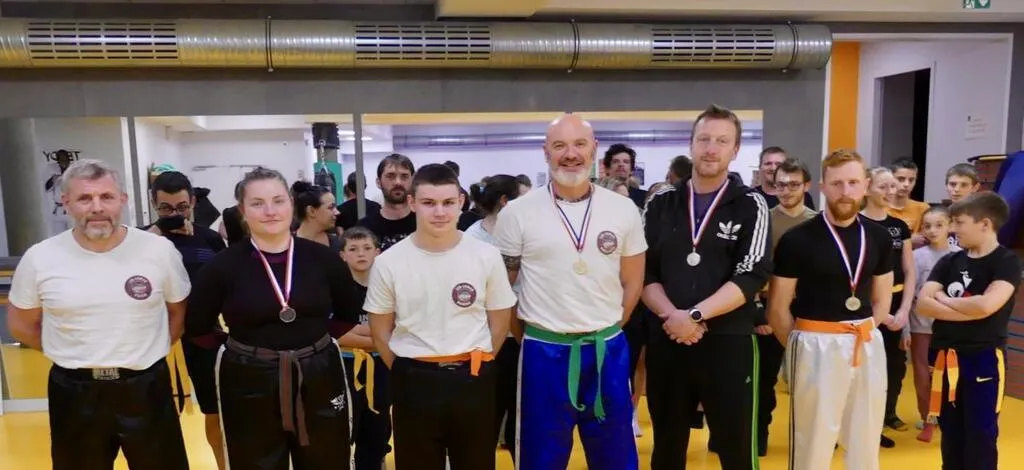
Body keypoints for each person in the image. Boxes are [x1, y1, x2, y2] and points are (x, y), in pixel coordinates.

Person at [7, 159, 191, 470]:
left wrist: (140, 351)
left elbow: (177, 314)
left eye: (106, 197)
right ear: (66, 203)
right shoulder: (40, 258)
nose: (97, 207)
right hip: (74, 391)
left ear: (123, 200)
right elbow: (22, 325)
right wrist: (74, 350)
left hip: (145, 386)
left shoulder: (158, 251)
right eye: (84, 198)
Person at [494, 114, 647, 469]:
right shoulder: (517, 213)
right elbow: (504, 287)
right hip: (543, 352)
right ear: (545, 151)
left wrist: (605, 325)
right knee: (540, 457)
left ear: (594, 150)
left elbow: (633, 281)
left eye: (579, 144)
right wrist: (533, 333)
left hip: (607, 348)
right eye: (560, 145)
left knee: (616, 455)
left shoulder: (623, 209)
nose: (570, 154)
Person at [186, 167, 362, 470]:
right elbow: (198, 327)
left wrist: (312, 341)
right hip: (247, 377)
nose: (269, 211)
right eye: (257, 203)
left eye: (278, 201)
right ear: (243, 210)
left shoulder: (324, 260)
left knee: (328, 460)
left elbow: (346, 314)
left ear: (291, 205)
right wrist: (242, 350)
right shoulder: (222, 266)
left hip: (318, 371)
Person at [642, 104, 771, 470]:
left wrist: (695, 315)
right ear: (691, 144)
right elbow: (644, 273)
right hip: (668, 338)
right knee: (666, 445)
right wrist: (674, 317)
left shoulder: (751, 205)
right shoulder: (661, 202)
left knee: (734, 446)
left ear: (735, 150)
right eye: (704, 139)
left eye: (721, 141)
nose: (711, 148)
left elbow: (751, 274)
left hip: (727, 341)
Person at [366, 164, 517, 470]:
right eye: (429, 203)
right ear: (412, 203)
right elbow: (380, 330)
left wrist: (481, 359)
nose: (439, 212)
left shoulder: (485, 256)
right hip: (413, 378)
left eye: (448, 203)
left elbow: (500, 321)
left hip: (472, 376)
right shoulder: (389, 261)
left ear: (461, 201)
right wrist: (407, 370)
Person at [768, 149, 894, 470]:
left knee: (866, 435)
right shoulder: (798, 239)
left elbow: (882, 300)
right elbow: (778, 309)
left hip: (864, 340)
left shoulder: (878, 237)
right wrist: (801, 346)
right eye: (837, 184)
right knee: (814, 439)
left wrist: (860, 335)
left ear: (866, 185)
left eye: (853, 182)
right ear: (822, 187)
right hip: (814, 342)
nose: (845, 191)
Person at [915, 191, 1020, 470]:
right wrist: (968, 309)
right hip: (944, 358)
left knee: (981, 434)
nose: (953, 229)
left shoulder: (1005, 261)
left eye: (959, 222)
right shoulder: (950, 261)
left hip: (982, 358)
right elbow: (923, 305)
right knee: (951, 432)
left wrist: (947, 301)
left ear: (984, 224)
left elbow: (988, 305)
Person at [146, 170, 229, 470]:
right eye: (165, 209)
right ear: (154, 204)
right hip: (155, 341)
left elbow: (227, 286)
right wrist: (149, 242)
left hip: (204, 337)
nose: (174, 215)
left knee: (216, 410)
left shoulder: (210, 240)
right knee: (153, 415)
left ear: (193, 202)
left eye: (182, 208)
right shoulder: (139, 241)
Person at [755, 157, 817, 455]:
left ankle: (812, 439)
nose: (787, 190)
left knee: (811, 381)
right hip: (768, 310)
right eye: (781, 184)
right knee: (763, 380)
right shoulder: (763, 219)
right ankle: (758, 435)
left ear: (806, 185)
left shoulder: (819, 223)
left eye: (794, 185)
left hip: (808, 311)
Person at [464, 174, 524, 457]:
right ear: (505, 202)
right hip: (483, 339)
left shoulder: (525, 232)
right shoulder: (472, 239)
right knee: (484, 418)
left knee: (521, 420)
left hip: (522, 336)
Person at [861, 167, 916, 446]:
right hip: (864, 306)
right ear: (868, 187)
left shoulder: (900, 226)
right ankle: (857, 425)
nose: (890, 192)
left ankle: (885, 416)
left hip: (896, 305)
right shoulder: (855, 223)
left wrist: (904, 311)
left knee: (893, 366)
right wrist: (879, 313)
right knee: (863, 368)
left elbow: (909, 270)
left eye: (892, 186)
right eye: (883, 186)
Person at [337, 227, 392, 470]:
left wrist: (354, 333)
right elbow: (334, 335)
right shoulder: (335, 289)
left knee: (378, 427)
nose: (361, 254)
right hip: (345, 366)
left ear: (378, 252)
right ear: (342, 255)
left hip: (382, 365)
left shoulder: (389, 287)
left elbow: (398, 331)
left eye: (367, 248)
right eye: (353, 249)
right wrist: (378, 334)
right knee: (345, 424)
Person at [906, 205, 960, 443]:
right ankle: (928, 417)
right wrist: (905, 328)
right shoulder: (917, 256)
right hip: (921, 325)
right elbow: (909, 294)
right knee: (921, 373)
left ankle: (949, 417)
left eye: (939, 225)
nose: (932, 230)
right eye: (927, 225)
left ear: (950, 225)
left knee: (950, 373)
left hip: (951, 326)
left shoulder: (961, 255)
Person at [357, 153, 417, 251]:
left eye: (404, 176)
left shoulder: (425, 224)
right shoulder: (364, 228)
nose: (398, 182)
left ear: (413, 181)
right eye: (390, 176)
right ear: (378, 182)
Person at [292, 181, 342, 251]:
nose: (337, 212)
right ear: (311, 211)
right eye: (331, 208)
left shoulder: (338, 245)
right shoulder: (288, 246)